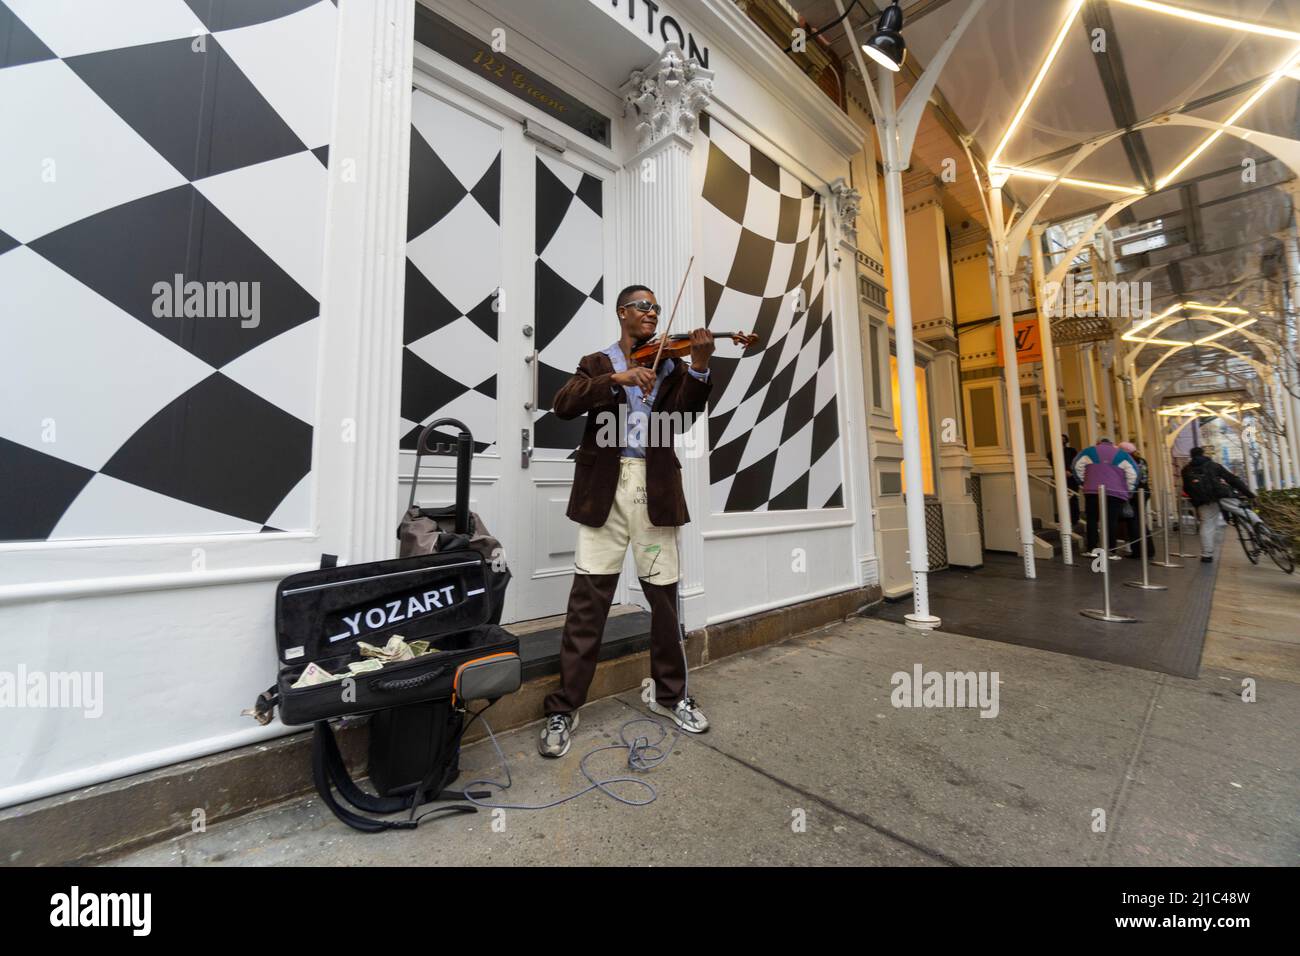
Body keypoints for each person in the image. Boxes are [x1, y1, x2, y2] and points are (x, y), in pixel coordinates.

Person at [538, 284, 715, 758]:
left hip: (653, 490)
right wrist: (616, 380)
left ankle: (670, 695)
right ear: (622, 313)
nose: (652, 314)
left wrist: (697, 366)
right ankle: (565, 705)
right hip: (604, 491)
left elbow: (683, 417)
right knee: (589, 599)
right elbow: (563, 404)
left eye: (656, 308)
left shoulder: (672, 364)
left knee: (663, 597)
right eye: (644, 306)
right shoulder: (597, 362)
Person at [1180, 446, 1254, 563]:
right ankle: (1265, 531)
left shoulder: (1186, 470)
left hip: (1203, 500)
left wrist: (1196, 502)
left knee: (1207, 524)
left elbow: (1186, 488)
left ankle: (1207, 554)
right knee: (1243, 511)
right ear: (1203, 454)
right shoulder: (1213, 465)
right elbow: (1232, 479)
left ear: (1191, 455)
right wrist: (1250, 494)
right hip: (1222, 495)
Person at [1072, 437, 1138, 559]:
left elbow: (1076, 467)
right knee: (1111, 521)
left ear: (1098, 443)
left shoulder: (1088, 451)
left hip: (1092, 491)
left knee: (1092, 520)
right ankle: (1111, 551)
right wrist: (1128, 489)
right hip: (1114, 492)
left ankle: (1091, 549)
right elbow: (1133, 473)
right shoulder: (1122, 454)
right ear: (1112, 444)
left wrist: (1083, 482)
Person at [1116, 440, 1151, 558]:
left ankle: (1138, 551)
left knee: (1134, 523)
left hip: (1134, 494)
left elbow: (1130, 479)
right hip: (1144, 492)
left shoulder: (1128, 461)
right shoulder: (1142, 460)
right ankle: (1149, 550)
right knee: (1141, 522)